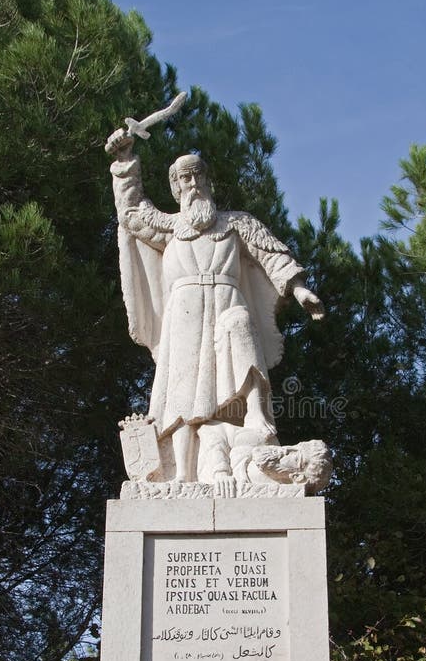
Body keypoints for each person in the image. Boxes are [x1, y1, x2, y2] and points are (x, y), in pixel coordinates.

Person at [106, 129, 324, 483]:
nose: (192, 184)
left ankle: (255, 422)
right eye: (183, 179)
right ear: (176, 189)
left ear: (208, 181)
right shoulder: (169, 228)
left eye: (197, 175)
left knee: (240, 332)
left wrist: (298, 289)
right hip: (183, 317)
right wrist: (125, 161)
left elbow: (270, 253)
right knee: (181, 395)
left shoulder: (237, 223)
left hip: (227, 303)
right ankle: (180, 475)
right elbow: (131, 212)